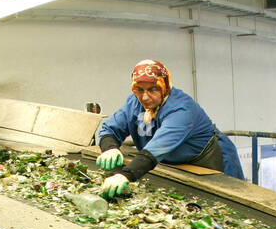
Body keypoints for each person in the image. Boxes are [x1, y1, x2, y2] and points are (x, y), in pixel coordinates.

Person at [95, 59, 243, 199]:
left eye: (153, 90)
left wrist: (125, 175)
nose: (145, 97)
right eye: (139, 90)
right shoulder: (134, 102)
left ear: (164, 87)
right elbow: (110, 129)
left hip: (208, 161)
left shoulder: (182, 109)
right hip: (171, 163)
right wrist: (110, 148)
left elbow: (156, 149)